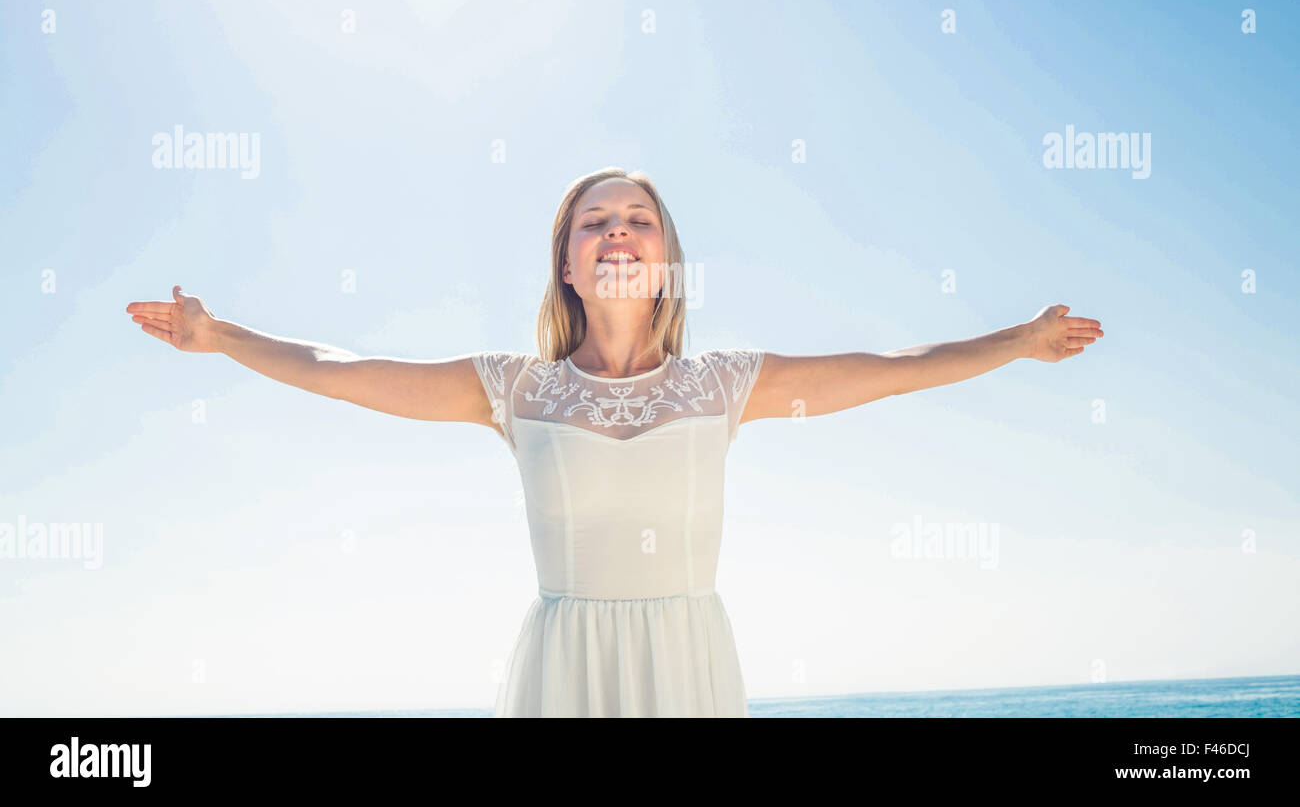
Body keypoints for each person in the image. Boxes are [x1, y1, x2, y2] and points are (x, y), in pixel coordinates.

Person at [125, 165, 1103, 717]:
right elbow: (342, 368)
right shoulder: (516, 389)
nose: (619, 231)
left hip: (688, 667)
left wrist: (1015, 342)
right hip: (564, 673)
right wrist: (220, 337)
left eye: (640, 219)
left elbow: (892, 364)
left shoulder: (725, 384)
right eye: (596, 222)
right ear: (567, 262)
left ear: (670, 259)